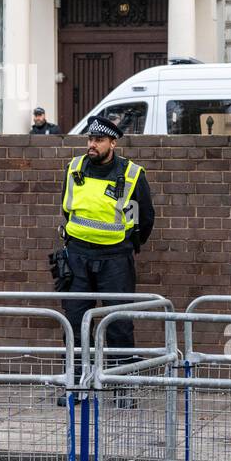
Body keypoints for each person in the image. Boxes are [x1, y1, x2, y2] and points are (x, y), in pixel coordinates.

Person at [58, 116, 154, 386]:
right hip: (77, 255)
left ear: (113, 143)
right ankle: (76, 383)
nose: (92, 144)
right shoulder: (74, 168)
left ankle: (122, 387)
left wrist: (129, 245)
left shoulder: (131, 174)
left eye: (98, 140)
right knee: (75, 323)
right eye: (90, 139)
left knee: (119, 323)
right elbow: (67, 209)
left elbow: (145, 218)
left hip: (115, 259)